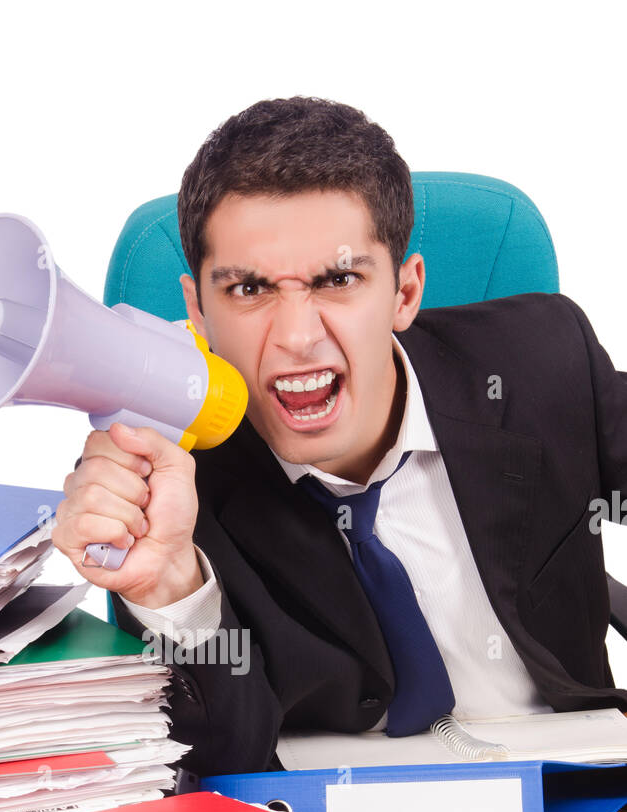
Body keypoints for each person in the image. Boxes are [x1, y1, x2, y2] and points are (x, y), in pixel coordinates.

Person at [52, 96, 627, 776]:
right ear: (196, 312)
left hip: (581, 797)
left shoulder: (542, 358)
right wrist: (171, 588)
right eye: (247, 289)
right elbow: (214, 767)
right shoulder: (169, 480)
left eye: (339, 279)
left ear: (404, 292)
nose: (296, 337)